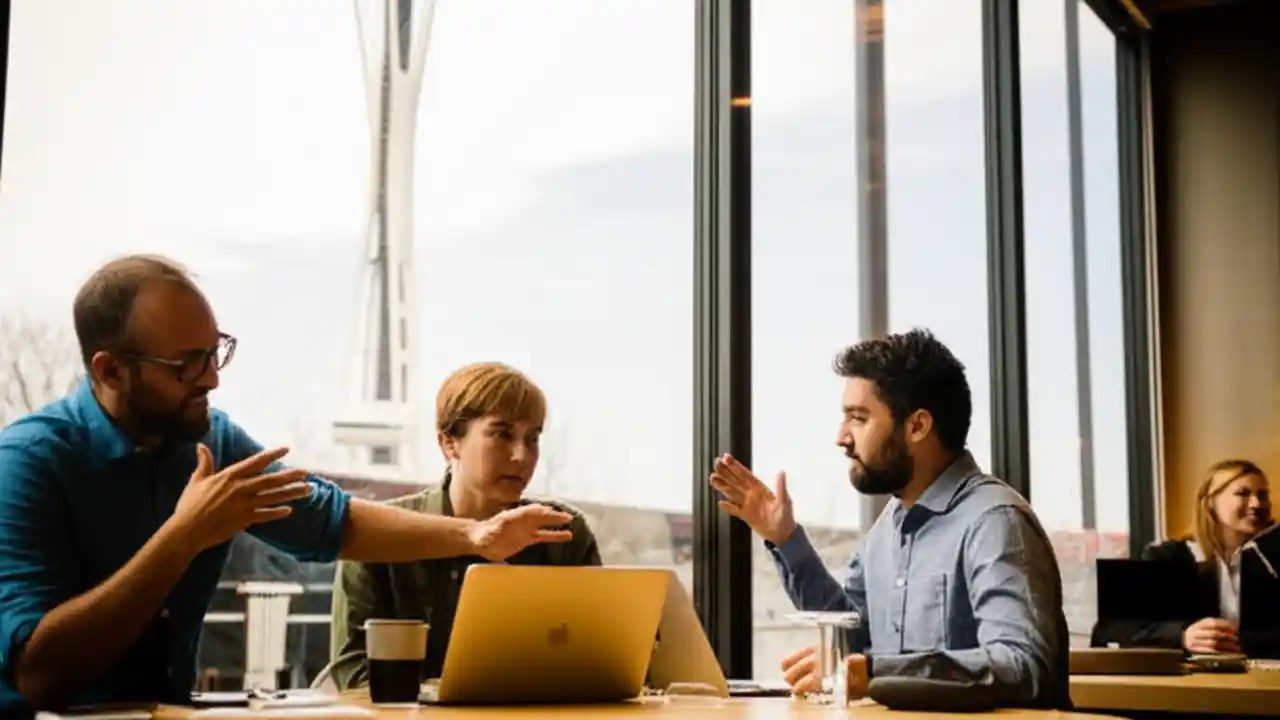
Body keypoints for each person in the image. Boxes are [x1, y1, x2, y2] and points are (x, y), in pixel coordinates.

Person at [0, 255, 575, 712]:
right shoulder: (28, 462)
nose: (213, 378)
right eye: (187, 365)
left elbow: (335, 521)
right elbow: (38, 675)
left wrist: (475, 535)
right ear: (110, 370)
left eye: (216, 351)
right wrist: (182, 537)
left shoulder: (212, 441)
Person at [709, 329, 1069, 709]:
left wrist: (875, 672)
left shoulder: (995, 521)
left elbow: (1025, 667)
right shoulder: (891, 524)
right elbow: (853, 639)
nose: (841, 437)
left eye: (859, 418)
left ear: (917, 426)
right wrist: (785, 539)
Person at [325, 362, 601, 689]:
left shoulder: (564, 534)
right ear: (448, 443)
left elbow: (600, 659)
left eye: (533, 438)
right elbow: (354, 673)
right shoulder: (378, 537)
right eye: (502, 434)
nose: (521, 455)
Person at [1091, 459, 1274, 654]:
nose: (1256, 504)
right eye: (1243, 493)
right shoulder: (1167, 556)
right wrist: (1182, 636)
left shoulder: (1270, 563)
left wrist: (1243, 642)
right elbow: (1112, 628)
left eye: (1262, 495)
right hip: (1189, 682)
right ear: (1210, 502)